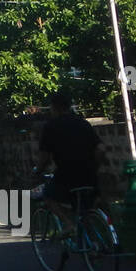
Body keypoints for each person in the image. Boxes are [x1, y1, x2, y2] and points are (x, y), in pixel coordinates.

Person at [35, 90, 104, 237]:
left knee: (48, 196)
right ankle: (94, 241)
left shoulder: (51, 126)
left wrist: (37, 170)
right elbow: (100, 149)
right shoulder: (83, 123)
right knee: (85, 206)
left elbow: (44, 157)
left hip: (67, 174)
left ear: (54, 107)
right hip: (89, 174)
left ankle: (68, 224)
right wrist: (95, 166)